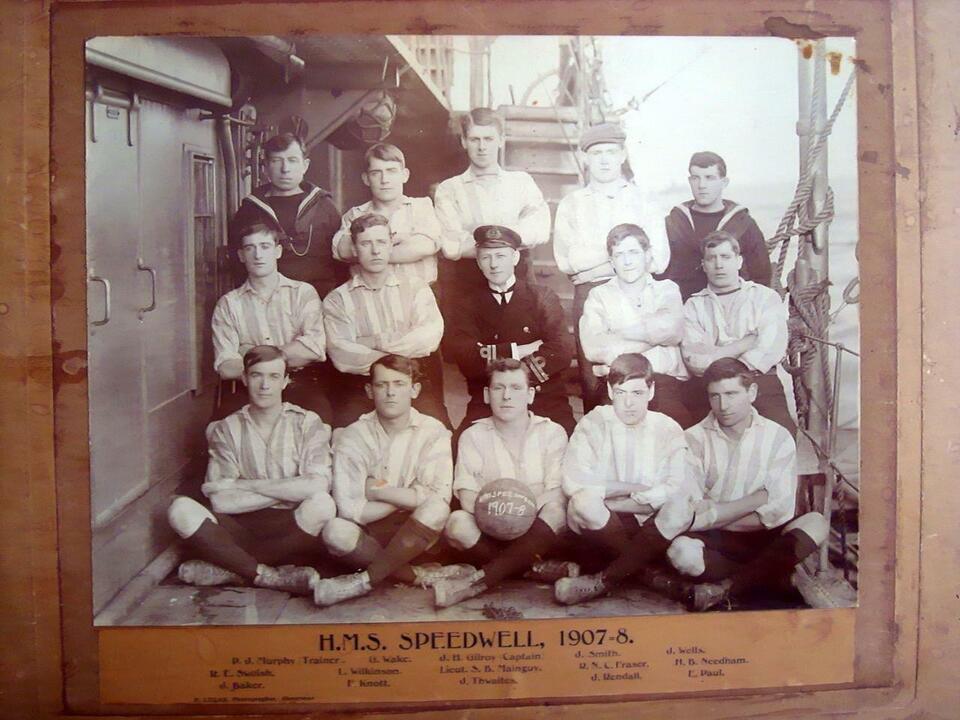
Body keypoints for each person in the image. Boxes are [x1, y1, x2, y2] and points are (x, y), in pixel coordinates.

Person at [166, 345, 335, 595]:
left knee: (323, 504)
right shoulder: (227, 428)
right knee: (179, 509)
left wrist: (246, 485)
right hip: (240, 526)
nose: (265, 385)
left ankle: (237, 569)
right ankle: (268, 576)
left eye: (274, 376)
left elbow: (318, 485)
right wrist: (291, 489)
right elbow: (222, 501)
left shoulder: (306, 422)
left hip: (290, 528)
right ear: (244, 378)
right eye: (257, 375)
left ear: (285, 381)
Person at [666, 358, 828, 611]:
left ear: (751, 392)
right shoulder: (692, 438)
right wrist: (756, 500)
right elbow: (693, 513)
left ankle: (725, 589)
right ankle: (767, 576)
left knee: (816, 522)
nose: (723, 405)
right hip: (716, 539)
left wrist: (716, 512)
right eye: (715, 396)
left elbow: (779, 512)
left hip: (765, 536)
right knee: (681, 553)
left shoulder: (777, 437)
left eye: (731, 394)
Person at [553, 353, 696, 605]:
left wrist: (614, 501)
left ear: (651, 391)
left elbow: (675, 489)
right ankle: (650, 576)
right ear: (610, 391)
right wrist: (635, 488)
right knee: (583, 503)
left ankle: (603, 581)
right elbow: (573, 482)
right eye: (621, 393)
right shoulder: (593, 422)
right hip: (603, 530)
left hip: (649, 531)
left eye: (637, 393)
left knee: (681, 509)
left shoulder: (668, 428)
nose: (629, 403)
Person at [312, 355, 454, 606]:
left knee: (437, 509)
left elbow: (438, 496)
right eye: (382, 385)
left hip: (417, 534)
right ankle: (413, 575)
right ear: (370, 390)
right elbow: (350, 510)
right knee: (335, 531)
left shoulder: (433, 431)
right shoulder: (353, 435)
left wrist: (378, 490)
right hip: (370, 535)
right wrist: (409, 494)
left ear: (414, 389)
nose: (390, 393)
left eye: (399, 384)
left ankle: (364, 581)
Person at [431, 359, 572, 607]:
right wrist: (503, 518)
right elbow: (467, 497)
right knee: (456, 523)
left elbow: (557, 492)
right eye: (499, 388)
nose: (507, 396)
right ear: (487, 395)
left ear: (530, 394)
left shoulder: (552, 432)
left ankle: (478, 582)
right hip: (490, 532)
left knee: (556, 511)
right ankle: (532, 569)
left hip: (538, 532)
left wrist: (519, 512)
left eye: (516, 388)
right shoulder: (472, 435)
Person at [553, 122, 670, 413]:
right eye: (596, 154)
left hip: (638, 297)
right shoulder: (572, 204)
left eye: (611, 152)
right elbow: (567, 261)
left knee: (640, 375)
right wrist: (628, 256)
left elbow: (660, 259)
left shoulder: (644, 200)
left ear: (623, 155)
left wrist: (594, 266)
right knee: (594, 381)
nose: (604, 160)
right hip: (591, 296)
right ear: (585, 158)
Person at [442, 225, 576, 437]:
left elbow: (562, 351)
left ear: (515, 258)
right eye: (486, 257)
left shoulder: (542, 296)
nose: (494, 264)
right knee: (461, 447)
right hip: (490, 398)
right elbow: (466, 358)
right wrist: (518, 350)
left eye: (501, 256)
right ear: (478, 262)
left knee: (569, 445)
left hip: (542, 396)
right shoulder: (466, 304)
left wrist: (512, 376)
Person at [323, 212, 450, 428]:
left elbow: (428, 338)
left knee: (441, 433)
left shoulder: (416, 287)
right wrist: (400, 347)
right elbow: (342, 354)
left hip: (410, 383)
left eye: (381, 242)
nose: (375, 251)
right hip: (363, 386)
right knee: (344, 435)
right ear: (354, 249)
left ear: (391, 244)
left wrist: (374, 341)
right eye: (366, 243)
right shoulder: (338, 299)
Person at [211, 222, 330, 422]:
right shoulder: (228, 304)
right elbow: (226, 366)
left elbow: (314, 348)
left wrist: (252, 355)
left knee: (321, 426)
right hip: (249, 389)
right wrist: (289, 352)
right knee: (215, 430)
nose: (258, 255)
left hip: (297, 384)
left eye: (265, 247)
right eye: (250, 248)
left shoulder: (302, 293)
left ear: (277, 251)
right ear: (241, 255)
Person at [681, 230, 796, 436]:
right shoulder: (693, 305)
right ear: (704, 265)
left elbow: (771, 347)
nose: (719, 265)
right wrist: (743, 344)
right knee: (695, 439)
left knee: (783, 435)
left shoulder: (764, 297)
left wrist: (717, 354)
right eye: (711, 258)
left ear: (739, 261)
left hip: (759, 380)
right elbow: (696, 360)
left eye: (725, 257)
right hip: (711, 385)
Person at [579, 223, 690, 426]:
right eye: (619, 255)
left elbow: (673, 330)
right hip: (620, 385)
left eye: (633, 252)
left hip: (664, 383)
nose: (627, 261)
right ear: (611, 261)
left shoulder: (666, 289)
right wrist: (655, 336)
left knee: (676, 430)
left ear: (647, 255)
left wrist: (616, 336)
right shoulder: (599, 296)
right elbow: (593, 348)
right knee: (607, 432)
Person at [434, 107, 550, 291]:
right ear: (464, 141)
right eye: (474, 139)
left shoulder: (521, 182)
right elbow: (452, 245)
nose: (482, 147)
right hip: (468, 282)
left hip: (517, 279)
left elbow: (539, 230)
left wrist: (476, 238)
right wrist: (510, 237)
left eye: (488, 139)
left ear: (501, 140)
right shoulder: (449, 189)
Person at [229, 132, 345, 299]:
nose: (285, 169)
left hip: (320, 300)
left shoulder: (325, 207)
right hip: (265, 301)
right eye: (277, 161)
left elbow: (341, 262)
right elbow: (237, 262)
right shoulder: (250, 210)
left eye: (292, 160)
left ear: (305, 165)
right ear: (266, 166)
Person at [331, 142, 452, 287]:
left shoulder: (421, 206)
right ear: (366, 179)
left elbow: (424, 247)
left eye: (391, 171)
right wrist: (400, 239)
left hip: (418, 294)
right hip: (370, 295)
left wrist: (366, 251)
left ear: (404, 175)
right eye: (376, 173)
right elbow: (343, 251)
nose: (384, 180)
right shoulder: (355, 214)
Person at [657, 151, 772, 301]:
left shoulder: (743, 224)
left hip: (731, 306)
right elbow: (658, 273)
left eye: (709, 178)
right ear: (689, 181)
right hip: (682, 306)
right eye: (696, 178)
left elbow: (761, 275)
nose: (702, 185)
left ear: (724, 182)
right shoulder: (673, 223)